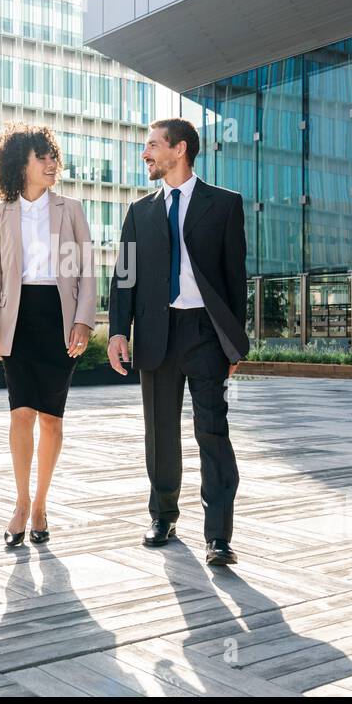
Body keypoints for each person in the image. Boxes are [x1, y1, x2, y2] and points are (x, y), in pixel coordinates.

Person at [107, 118, 250, 566]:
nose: (145, 154)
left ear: (179, 149)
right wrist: (117, 330)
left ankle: (219, 536)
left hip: (205, 334)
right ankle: (163, 515)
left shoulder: (225, 205)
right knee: (160, 432)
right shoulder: (139, 211)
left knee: (213, 432)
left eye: (152, 145)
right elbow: (124, 275)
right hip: (155, 333)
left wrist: (233, 344)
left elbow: (234, 279)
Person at [0, 124, 97, 547]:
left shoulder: (71, 209)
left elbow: (87, 269)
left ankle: (42, 505)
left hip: (59, 318)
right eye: (41, 157)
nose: (51, 164)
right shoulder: (0, 213)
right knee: (20, 414)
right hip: (18, 319)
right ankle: (21, 503)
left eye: (53, 157)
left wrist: (84, 320)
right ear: (20, 164)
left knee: (51, 417)